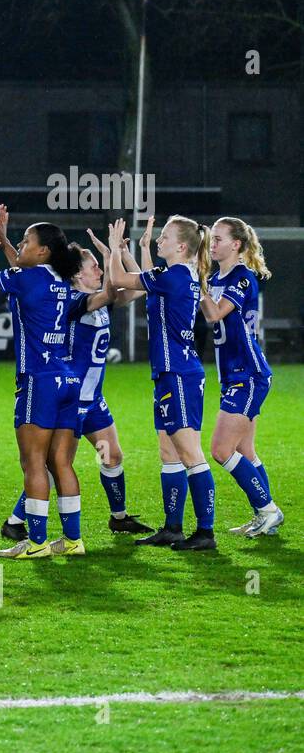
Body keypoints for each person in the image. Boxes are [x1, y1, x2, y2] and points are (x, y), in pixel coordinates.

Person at [0, 233, 152, 541]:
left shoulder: (100, 299)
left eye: (99, 266)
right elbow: (28, 270)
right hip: (72, 399)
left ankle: (119, 518)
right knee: (57, 464)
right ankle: (16, 521)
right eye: (93, 266)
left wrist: (121, 253)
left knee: (112, 457)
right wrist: (111, 256)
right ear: (77, 273)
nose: (98, 271)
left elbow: (138, 288)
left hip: (93, 399)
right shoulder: (71, 302)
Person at [0, 208, 86, 557]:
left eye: (25, 240)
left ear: (43, 250)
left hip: (38, 379)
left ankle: (35, 543)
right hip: (67, 378)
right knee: (60, 463)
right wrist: (3, 239)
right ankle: (73, 541)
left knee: (32, 463)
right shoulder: (59, 280)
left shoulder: (26, 278)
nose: (20, 245)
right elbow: (22, 265)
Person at [107, 215, 217, 551]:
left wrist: (114, 247)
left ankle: (206, 532)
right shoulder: (179, 276)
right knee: (169, 452)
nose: (160, 240)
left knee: (189, 453)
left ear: (182, 246)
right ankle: (172, 528)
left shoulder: (176, 276)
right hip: (174, 373)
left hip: (178, 374)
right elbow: (150, 287)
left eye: (165, 237)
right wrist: (138, 250)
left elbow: (120, 279)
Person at [202, 216, 283, 539]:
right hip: (233, 375)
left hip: (247, 375)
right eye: (212, 238)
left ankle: (268, 510)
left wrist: (197, 284)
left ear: (236, 244)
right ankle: (265, 516)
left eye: (219, 239)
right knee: (246, 452)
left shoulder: (242, 276)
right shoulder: (214, 276)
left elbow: (214, 313)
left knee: (221, 450)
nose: (213, 244)